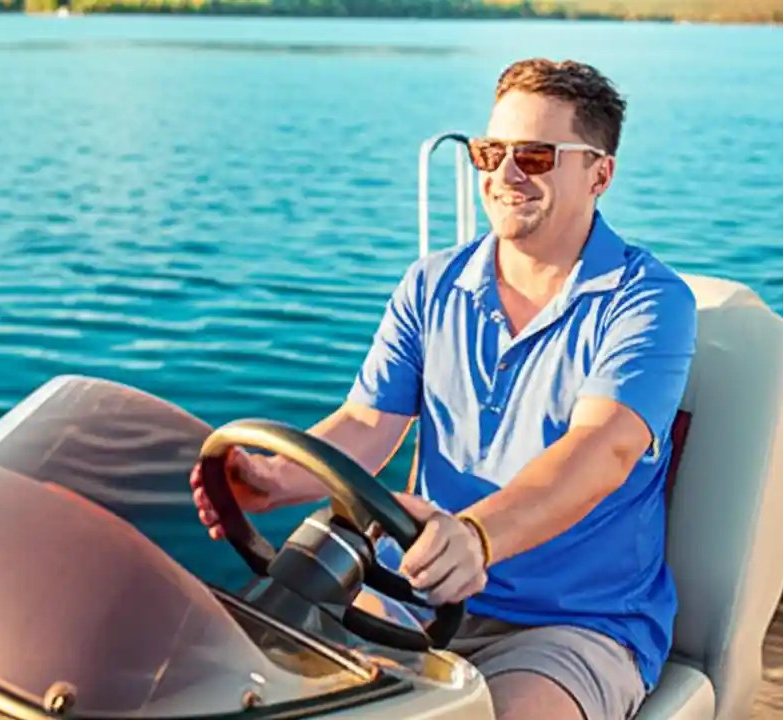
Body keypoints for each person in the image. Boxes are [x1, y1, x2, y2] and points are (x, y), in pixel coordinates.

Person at [191, 57, 697, 720]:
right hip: (416, 592)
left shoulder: (648, 303)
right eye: (491, 152)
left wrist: (477, 537)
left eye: (536, 156)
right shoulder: (431, 285)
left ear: (600, 173)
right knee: (249, 676)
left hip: (572, 625)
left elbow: (601, 450)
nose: (505, 174)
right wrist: (274, 480)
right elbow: (368, 424)